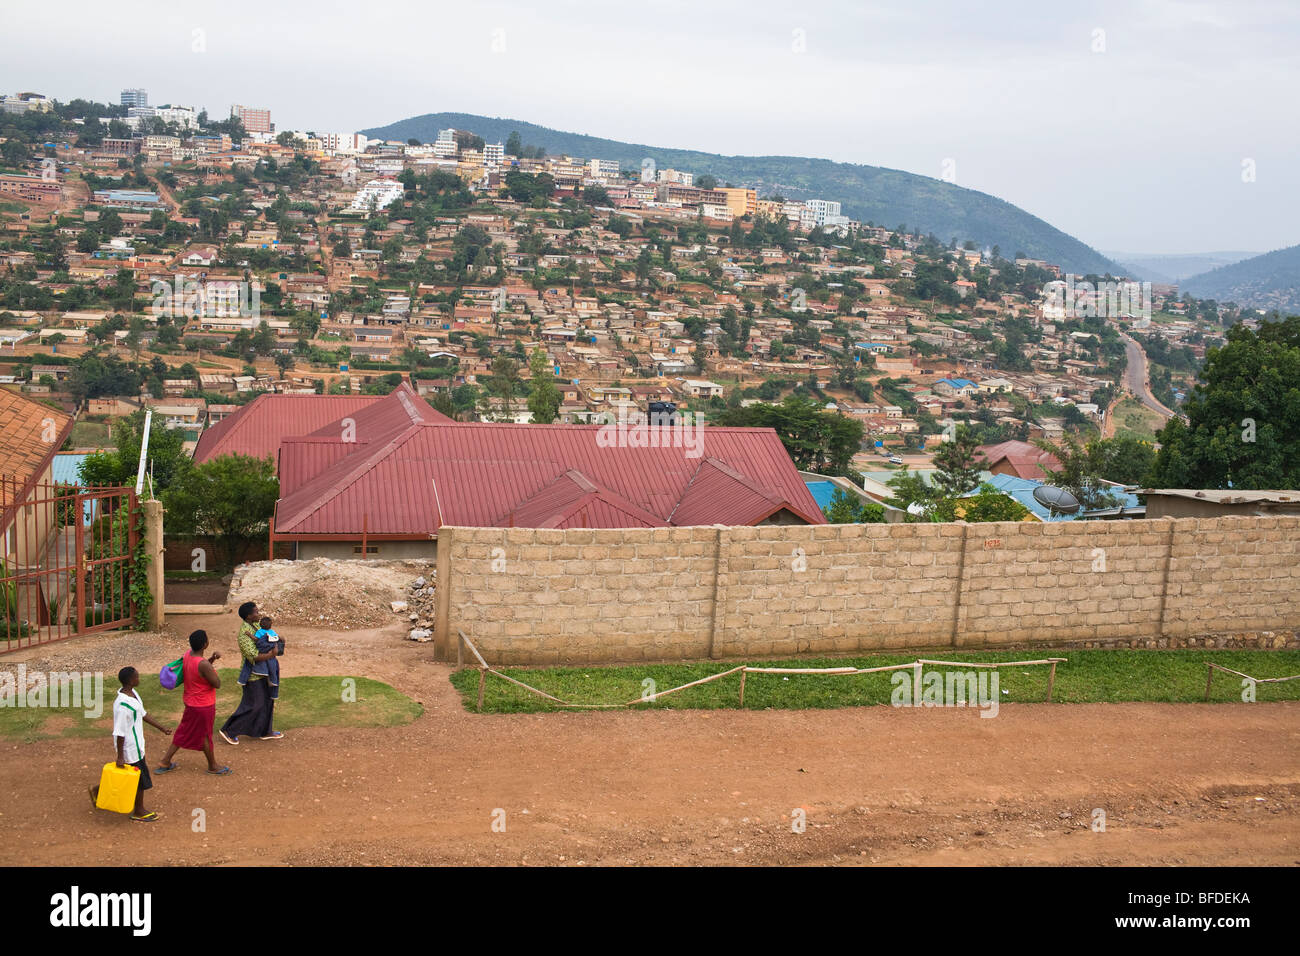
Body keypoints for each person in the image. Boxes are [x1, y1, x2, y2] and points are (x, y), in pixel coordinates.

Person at [89, 666, 172, 822]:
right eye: (137, 677)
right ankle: (139, 810)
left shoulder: (133, 694)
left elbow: (143, 714)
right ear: (130, 680)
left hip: (137, 744)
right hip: (129, 748)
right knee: (138, 778)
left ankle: (98, 791)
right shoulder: (123, 706)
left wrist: (162, 728)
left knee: (128, 777)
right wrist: (120, 756)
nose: (139, 678)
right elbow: (119, 732)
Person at [155, 630, 232, 776]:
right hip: (203, 705)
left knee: (184, 731)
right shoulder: (203, 664)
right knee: (204, 735)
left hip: (191, 702)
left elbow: (199, 670)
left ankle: (165, 761)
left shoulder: (187, 655)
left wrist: (212, 659)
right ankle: (213, 766)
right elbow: (217, 683)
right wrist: (212, 666)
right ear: (205, 644)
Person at [219, 601, 285, 745]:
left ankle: (265, 731)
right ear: (248, 616)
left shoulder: (255, 626)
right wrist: (272, 653)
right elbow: (253, 656)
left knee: (267, 701)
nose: (258, 614)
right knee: (254, 704)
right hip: (252, 674)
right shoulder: (244, 633)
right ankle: (229, 730)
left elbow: (265, 638)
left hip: (265, 672)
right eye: (255, 612)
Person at [252, 616, 285, 700]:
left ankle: (265, 675)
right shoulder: (271, 631)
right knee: (272, 667)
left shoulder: (259, 632)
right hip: (269, 652)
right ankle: (272, 680)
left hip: (265, 651)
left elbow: (256, 640)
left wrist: (249, 635)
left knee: (265, 664)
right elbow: (275, 638)